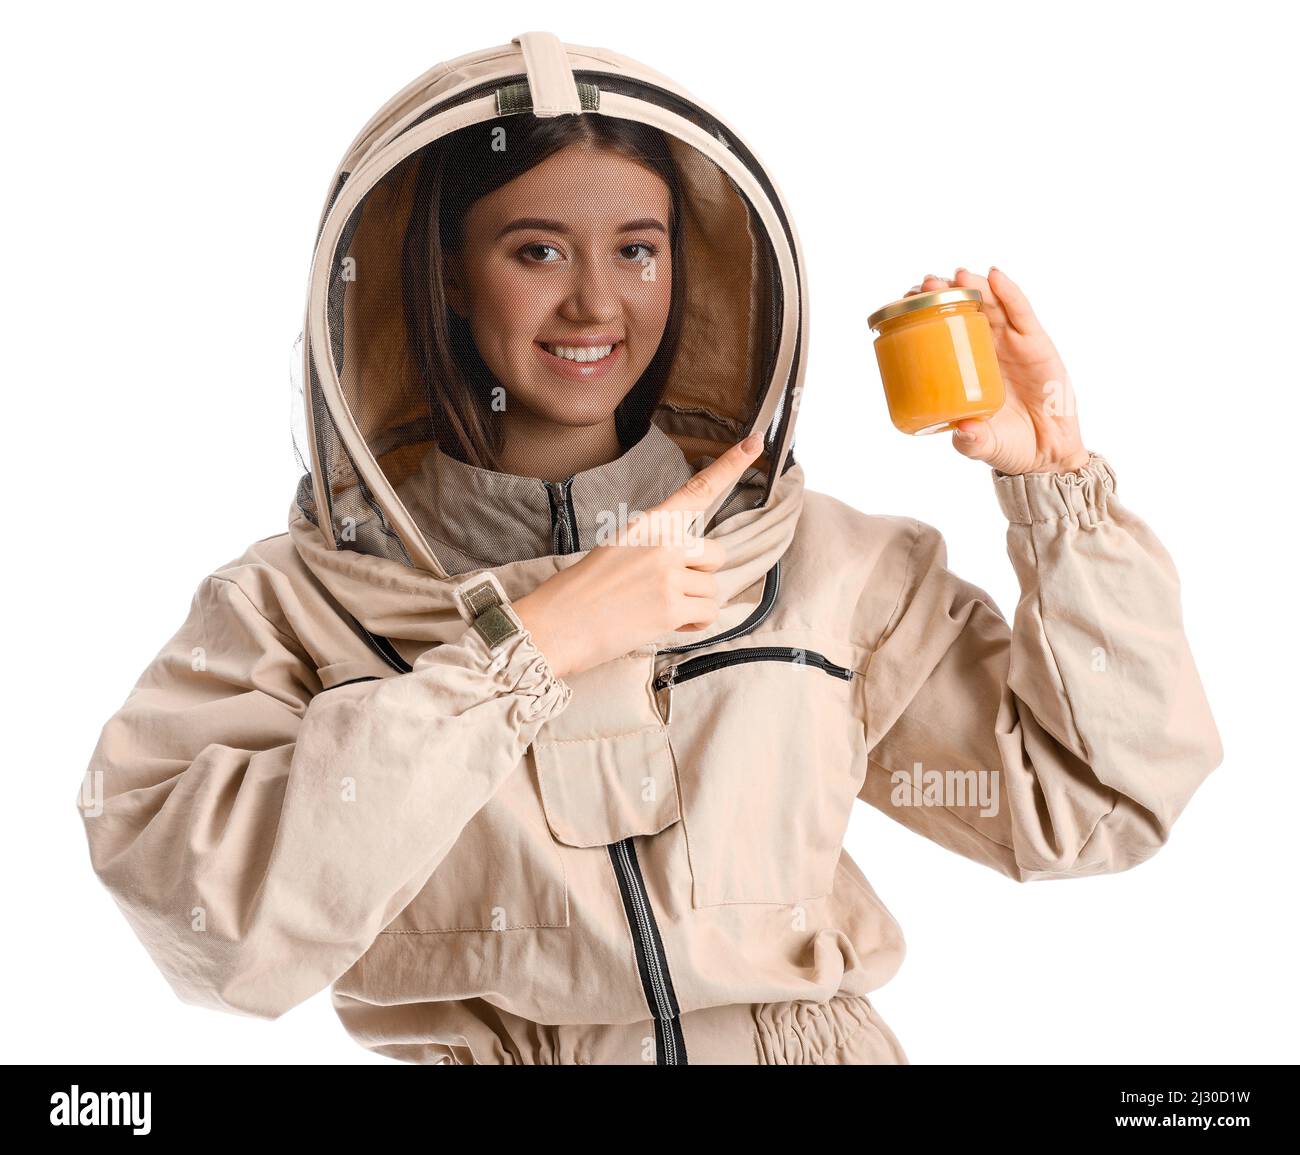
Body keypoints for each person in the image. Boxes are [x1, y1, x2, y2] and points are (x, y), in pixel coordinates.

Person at [75, 32, 1223, 1066]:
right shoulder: (297, 606)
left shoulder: (824, 566)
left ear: (694, 271)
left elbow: (1090, 808)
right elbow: (209, 930)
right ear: (440, 275)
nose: (594, 305)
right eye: (535, 251)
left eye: (636, 249)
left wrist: (1053, 480)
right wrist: (530, 648)